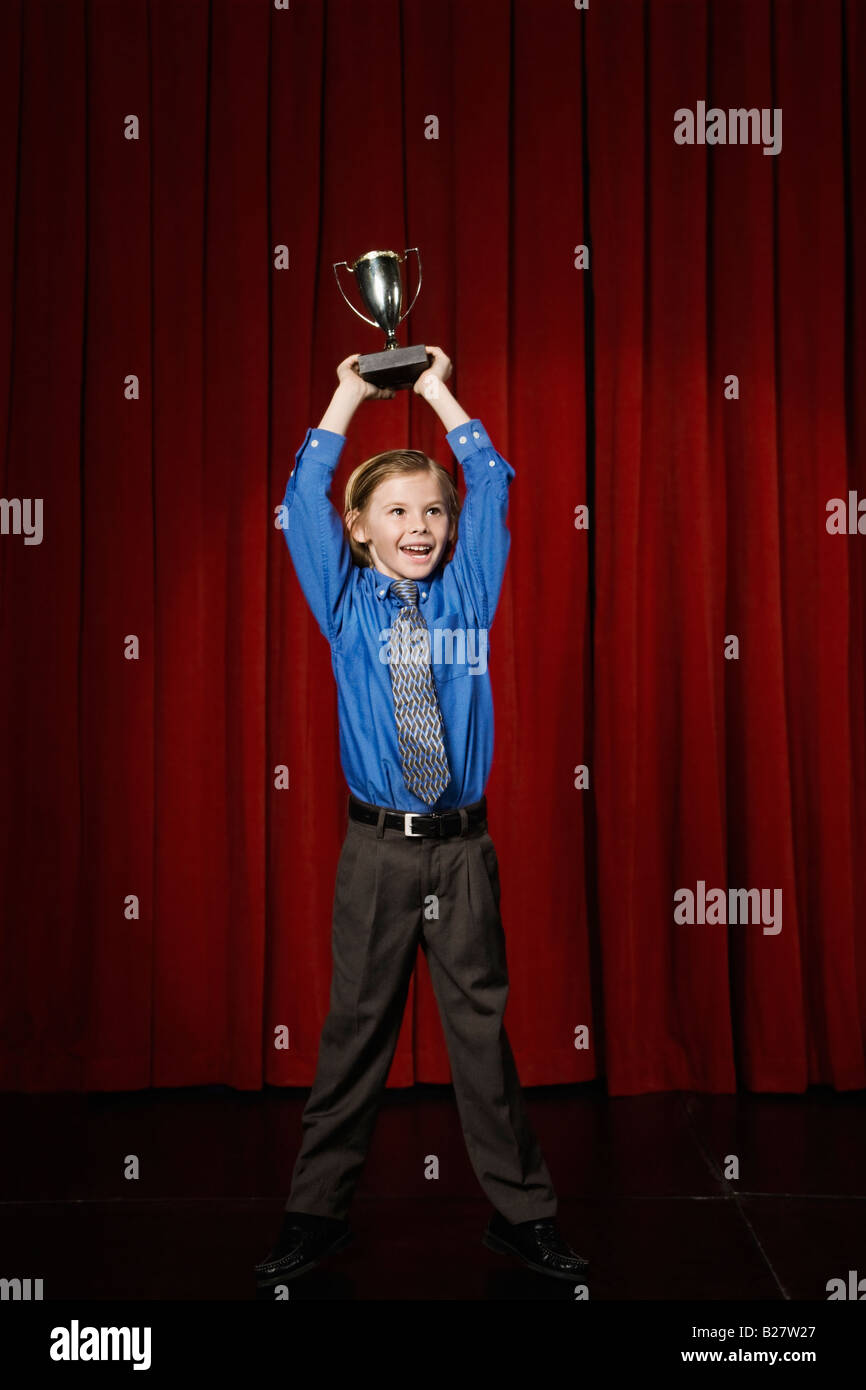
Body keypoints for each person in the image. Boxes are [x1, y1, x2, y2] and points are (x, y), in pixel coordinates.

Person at [255, 348, 589, 1289]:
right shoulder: (344, 600)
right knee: (354, 1029)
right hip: (378, 854)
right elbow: (308, 486)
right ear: (358, 532)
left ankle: (523, 1217)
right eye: (396, 512)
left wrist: (438, 387)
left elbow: (487, 478)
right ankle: (314, 1216)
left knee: (480, 1036)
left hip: (462, 854)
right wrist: (353, 393)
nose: (419, 526)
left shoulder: (469, 594)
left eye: (431, 512)